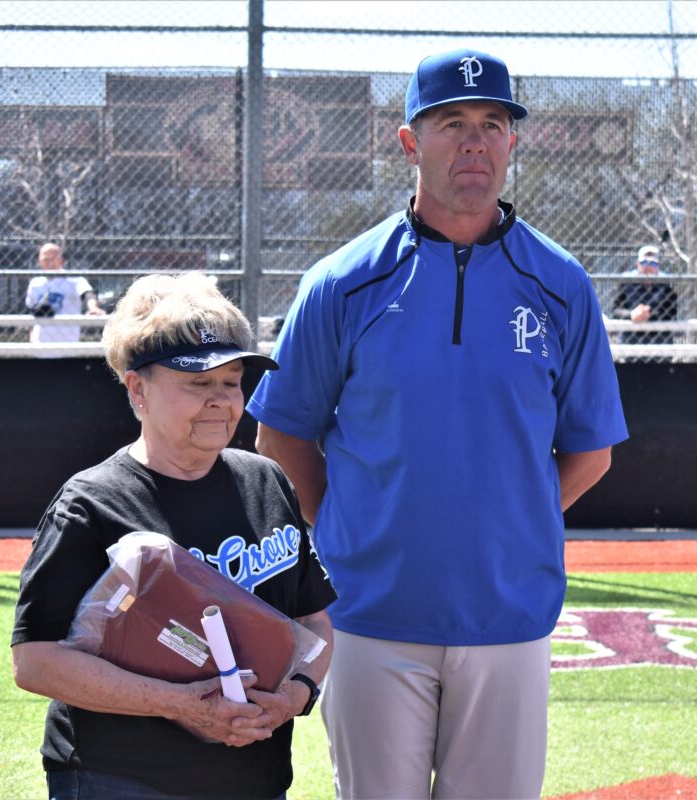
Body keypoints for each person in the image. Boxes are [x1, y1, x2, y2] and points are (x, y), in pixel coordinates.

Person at [248, 48, 627, 799]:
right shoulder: (343, 282)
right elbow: (282, 437)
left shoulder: (560, 285)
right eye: (453, 122)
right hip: (369, 613)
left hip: (508, 614)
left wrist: (510, 522)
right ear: (410, 142)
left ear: (513, 142)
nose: (476, 141)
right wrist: (354, 528)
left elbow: (591, 451)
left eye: (494, 123)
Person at [11, 272, 336, 799]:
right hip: (123, 777)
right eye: (197, 383)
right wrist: (178, 703)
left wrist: (296, 695)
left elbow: (314, 619)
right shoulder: (92, 502)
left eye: (231, 382)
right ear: (138, 388)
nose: (220, 400)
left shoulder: (266, 479)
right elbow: (36, 661)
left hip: (255, 778)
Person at [24, 242, 106, 344]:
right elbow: (31, 312)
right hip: (40, 343)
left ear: (61, 261)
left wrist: (93, 308)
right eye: (46, 259)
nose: (50, 262)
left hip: (67, 342)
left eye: (53, 259)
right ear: (40, 261)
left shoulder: (74, 279)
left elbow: (87, 294)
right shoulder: (35, 283)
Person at [612, 244, 678, 344]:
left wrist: (647, 313)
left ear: (658, 266)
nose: (648, 267)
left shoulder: (666, 284)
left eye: (653, 263)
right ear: (637, 264)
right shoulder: (626, 282)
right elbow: (615, 310)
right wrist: (631, 314)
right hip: (631, 339)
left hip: (659, 339)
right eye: (644, 263)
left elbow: (672, 312)